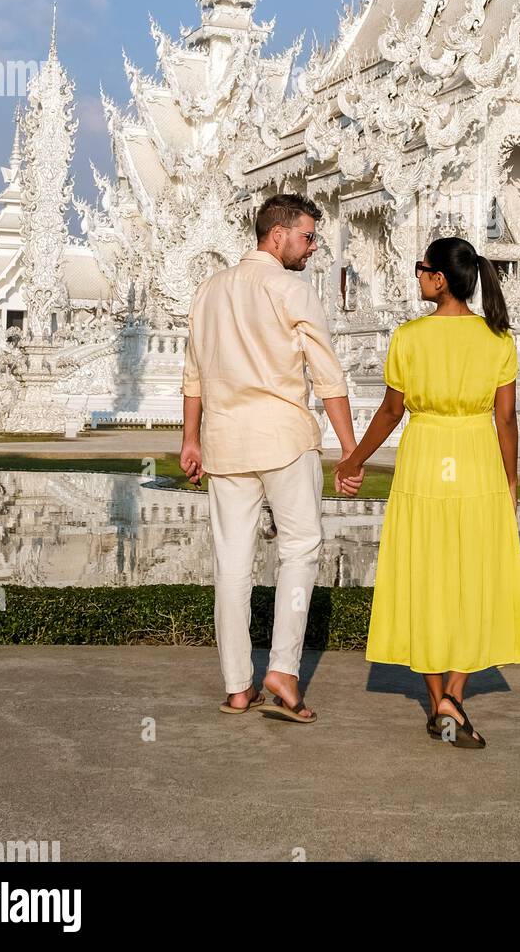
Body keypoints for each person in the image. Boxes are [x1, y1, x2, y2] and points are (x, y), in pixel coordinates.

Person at [336, 236, 520, 748]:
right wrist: (510, 482)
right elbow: (506, 419)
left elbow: (390, 412)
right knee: (472, 576)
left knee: (424, 573)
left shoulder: (409, 337)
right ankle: (454, 696)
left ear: (439, 279)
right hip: (476, 466)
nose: (417, 275)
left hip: (425, 461)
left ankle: (436, 700)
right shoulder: (498, 340)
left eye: (421, 267)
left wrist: (353, 460)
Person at [180, 194, 363, 722]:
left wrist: (190, 440)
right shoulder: (291, 289)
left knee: (232, 566)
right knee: (300, 550)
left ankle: (239, 687)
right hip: (283, 438)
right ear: (277, 235)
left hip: (224, 442)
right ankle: (282, 668)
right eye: (307, 237)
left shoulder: (208, 292)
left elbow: (193, 377)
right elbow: (328, 376)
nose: (312, 248)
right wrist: (349, 450)